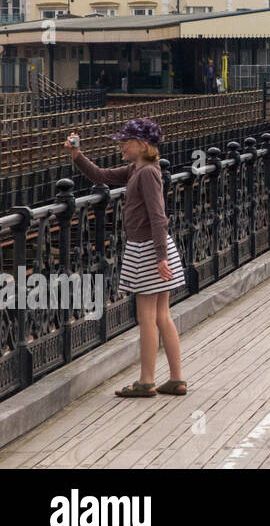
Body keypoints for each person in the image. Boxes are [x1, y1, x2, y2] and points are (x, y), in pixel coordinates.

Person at [65, 119, 186, 398]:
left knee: (146, 318)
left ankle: (146, 381)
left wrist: (160, 257)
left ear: (143, 145)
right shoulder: (137, 168)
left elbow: (158, 217)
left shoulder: (146, 174)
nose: (121, 145)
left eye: (126, 142)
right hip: (152, 249)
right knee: (162, 316)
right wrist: (76, 155)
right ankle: (177, 379)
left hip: (147, 250)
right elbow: (102, 176)